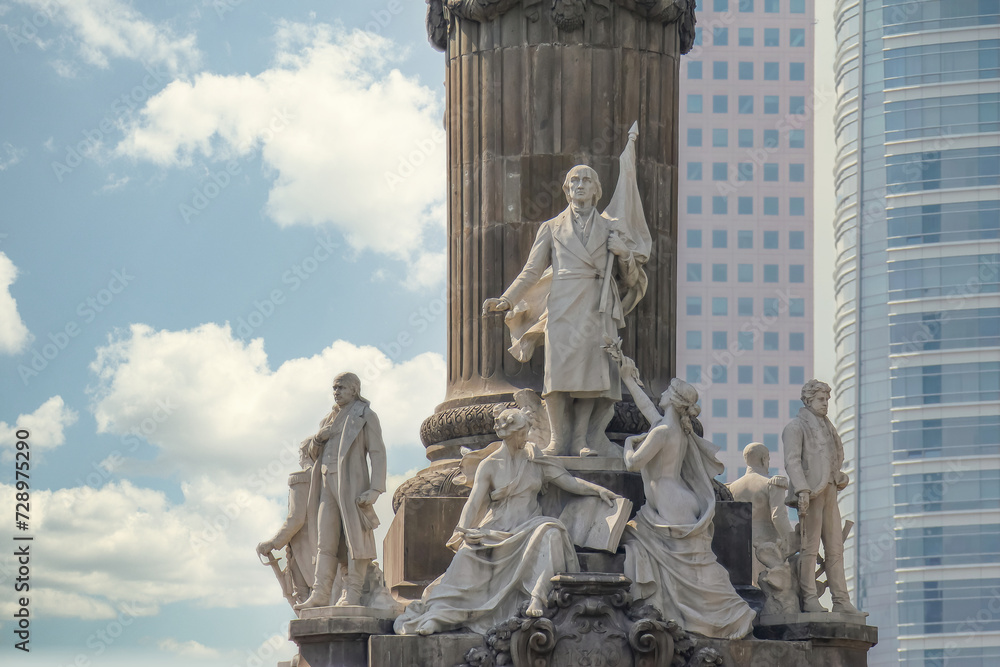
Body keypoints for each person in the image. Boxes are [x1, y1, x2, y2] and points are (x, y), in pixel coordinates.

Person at [483, 128, 651, 457]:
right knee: (556, 375)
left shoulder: (610, 228)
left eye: (586, 181)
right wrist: (508, 298)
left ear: (596, 190)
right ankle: (559, 439)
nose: (579, 186)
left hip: (595, 303)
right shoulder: (551, 227)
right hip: (562, 303)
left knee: (592, 374)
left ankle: (582, 440)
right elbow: (532, 270)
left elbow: (631, 279)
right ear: (566, 189)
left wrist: (624, 254)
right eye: (574, 181)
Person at [394, 408, 619, 636]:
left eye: (527, 432)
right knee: (465, 556)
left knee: (551, 532)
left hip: (529, 527)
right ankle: (438, 616)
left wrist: (598, 490)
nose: (526, 437)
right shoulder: (489, 465)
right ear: (511, 434)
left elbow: (569, 482)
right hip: (496, 531)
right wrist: (463, 531)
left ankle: (537, 599)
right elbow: (473, 504)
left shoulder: (535, 459)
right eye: (523, 433)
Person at [620, 378, 756, 639]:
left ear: (673, 400)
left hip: (671, 504)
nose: (661, 393)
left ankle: (732, 613)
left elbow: (633, 464)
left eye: (667, 391)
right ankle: (722, 609)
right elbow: (647, 408)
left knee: (694, 566)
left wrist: (628, 442)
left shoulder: (660, 432)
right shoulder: (673, 428)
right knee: (692, 562)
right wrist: (628, 376)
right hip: (679, 501)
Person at [292, 372, 386, 609]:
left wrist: (375, 489)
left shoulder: (365, 416)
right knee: (325, 541)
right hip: (326, 486)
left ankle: (352, 593)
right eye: (334, 388)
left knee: (355, 540)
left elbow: (377, 453)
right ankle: (320, 593)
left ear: (354, 389)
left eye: (341, 388)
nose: (336, 392)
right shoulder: (327, 420)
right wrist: (317, 440)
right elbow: (313, 455)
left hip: (352, 486)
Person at [782, 379, 860, 614]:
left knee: (836, 547)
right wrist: (802, 489)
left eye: (827, 399)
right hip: (812, 494)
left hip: (830, 492)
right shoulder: (795, 427)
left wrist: (839, 476)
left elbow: (829, 459)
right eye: (820, 399)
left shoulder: (828, 427)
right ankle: (809, 598)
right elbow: (792, 461)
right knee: (810, 547)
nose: (825, 403)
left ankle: (841, 600)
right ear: (808, 400)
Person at [727, 442, 794, 585]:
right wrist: (792, 540)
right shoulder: (772, 484)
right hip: (767, 546)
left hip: (738, 546)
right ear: (764, 459)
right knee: (767, 591)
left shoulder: (731, 488)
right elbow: (778, 517)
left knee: (745, 593)